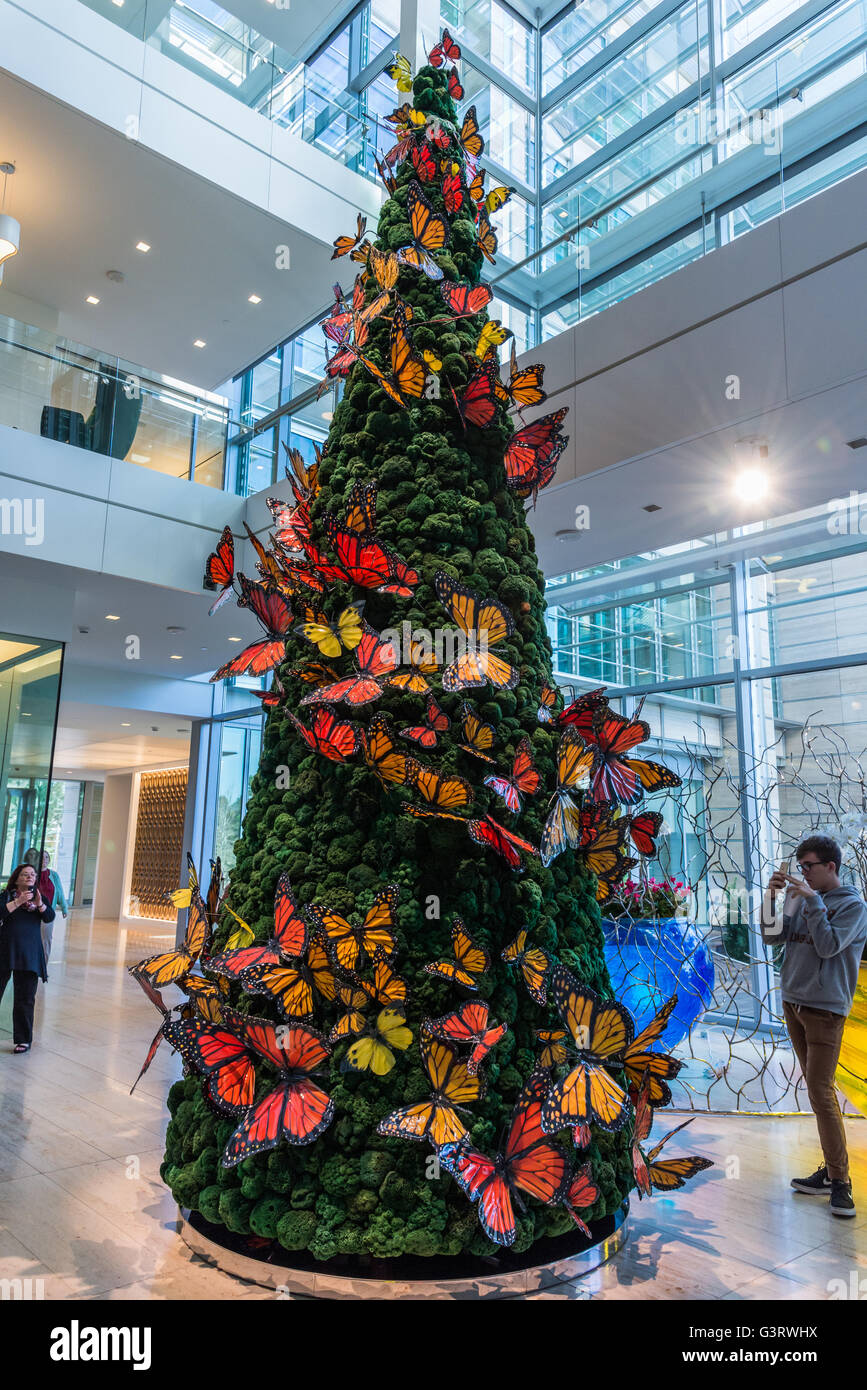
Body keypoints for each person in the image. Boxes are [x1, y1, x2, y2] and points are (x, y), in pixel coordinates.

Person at [763, 835, 867, 1218]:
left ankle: (841, 1182)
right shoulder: (803, 897)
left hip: (826, 1010)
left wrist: (810, 901)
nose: (801, 872)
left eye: (808, 866)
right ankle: (829, 1174)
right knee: (815, 1091)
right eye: (799, 866)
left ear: (830, 867)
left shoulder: (854, 907)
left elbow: (827, 946)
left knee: (821, 1093)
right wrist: (773, 900)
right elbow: (773, 937)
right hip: (794, 1003)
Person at [0, 863, 55, 1052]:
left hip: (29, 954)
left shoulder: (39, 897)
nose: (30, 877)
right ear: (16, 879)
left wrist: (39, 904)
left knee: (25, 998)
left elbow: (49, 917)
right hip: (5, 950)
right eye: (25, 874)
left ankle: (23, 1039)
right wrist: (18, 901)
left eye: (32, 874)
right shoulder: (6, 896)